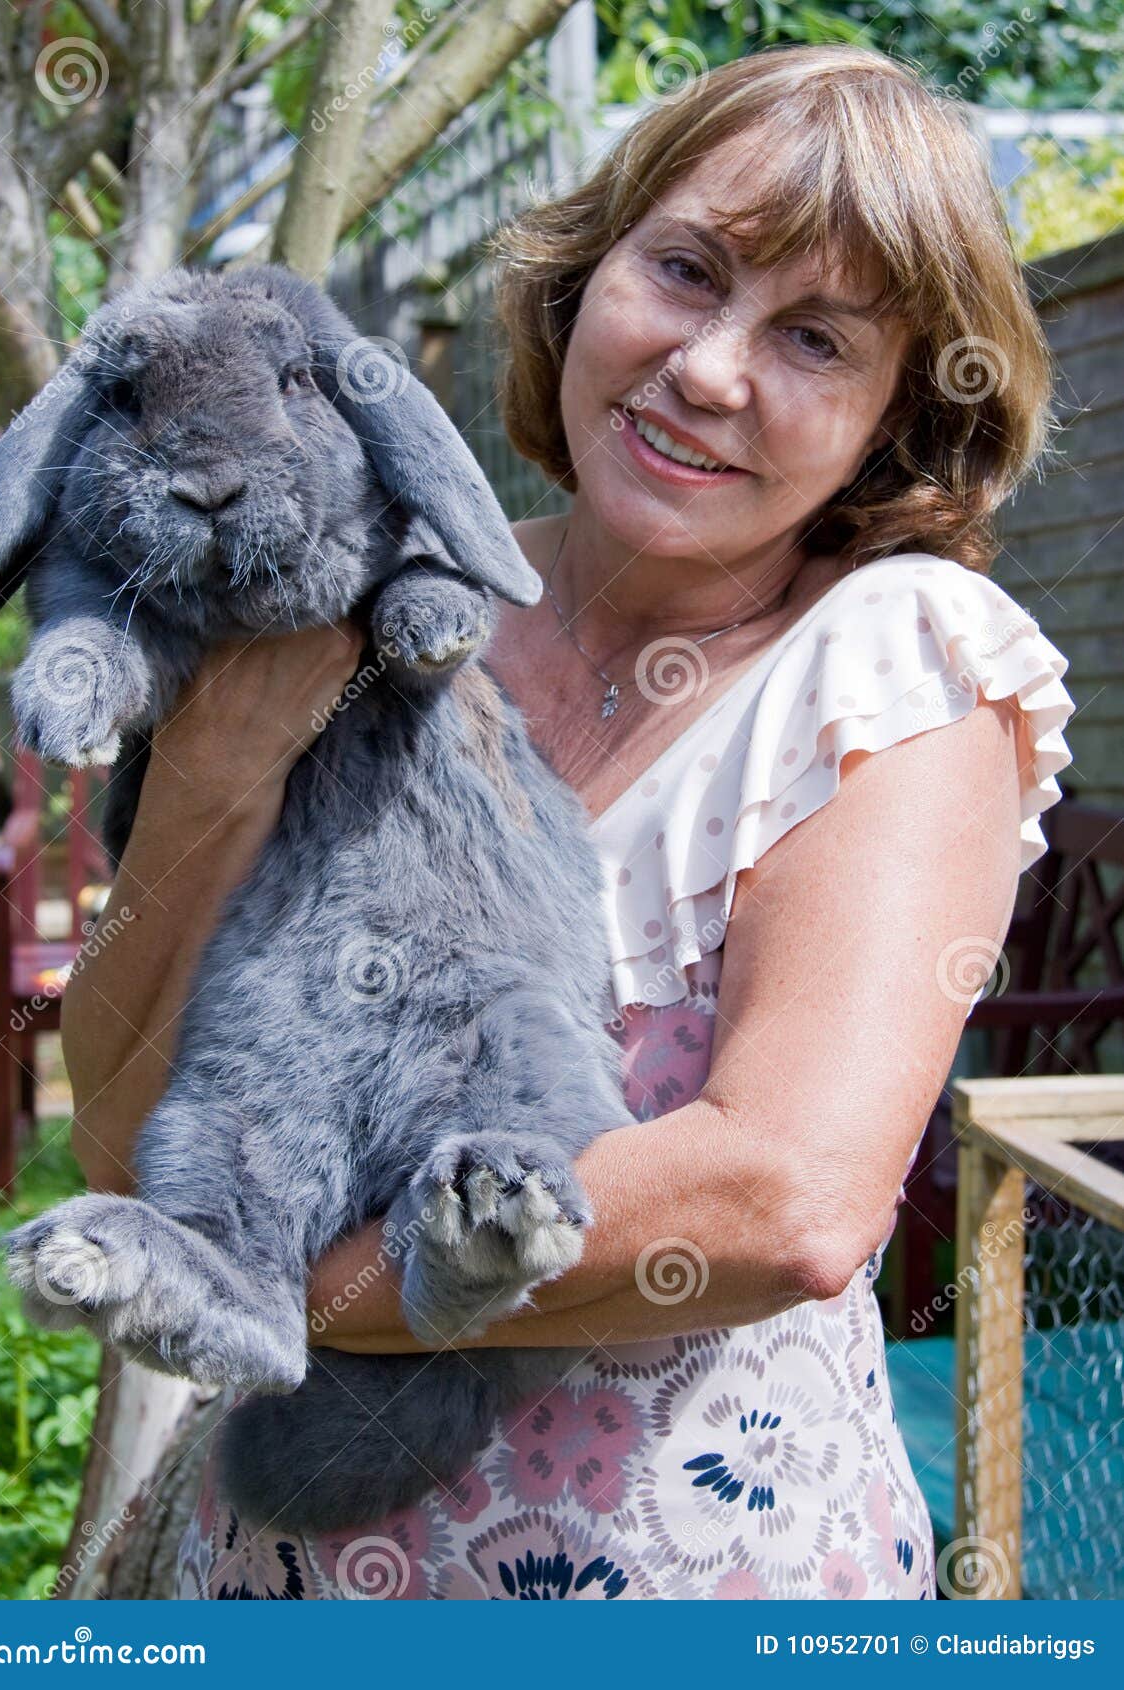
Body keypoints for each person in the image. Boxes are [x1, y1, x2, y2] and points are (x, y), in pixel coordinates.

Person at [63, 43, 1075, 1600]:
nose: (709, 369)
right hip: (271, 1584)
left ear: (893, 419)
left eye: (814, 338)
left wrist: (256, 1287)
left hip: (680, 1586)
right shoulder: (361, 601)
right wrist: (208, 777)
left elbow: (779, 1199)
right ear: (585, 271)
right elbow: (123, 1125)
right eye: (683, 269)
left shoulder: (894, 663)